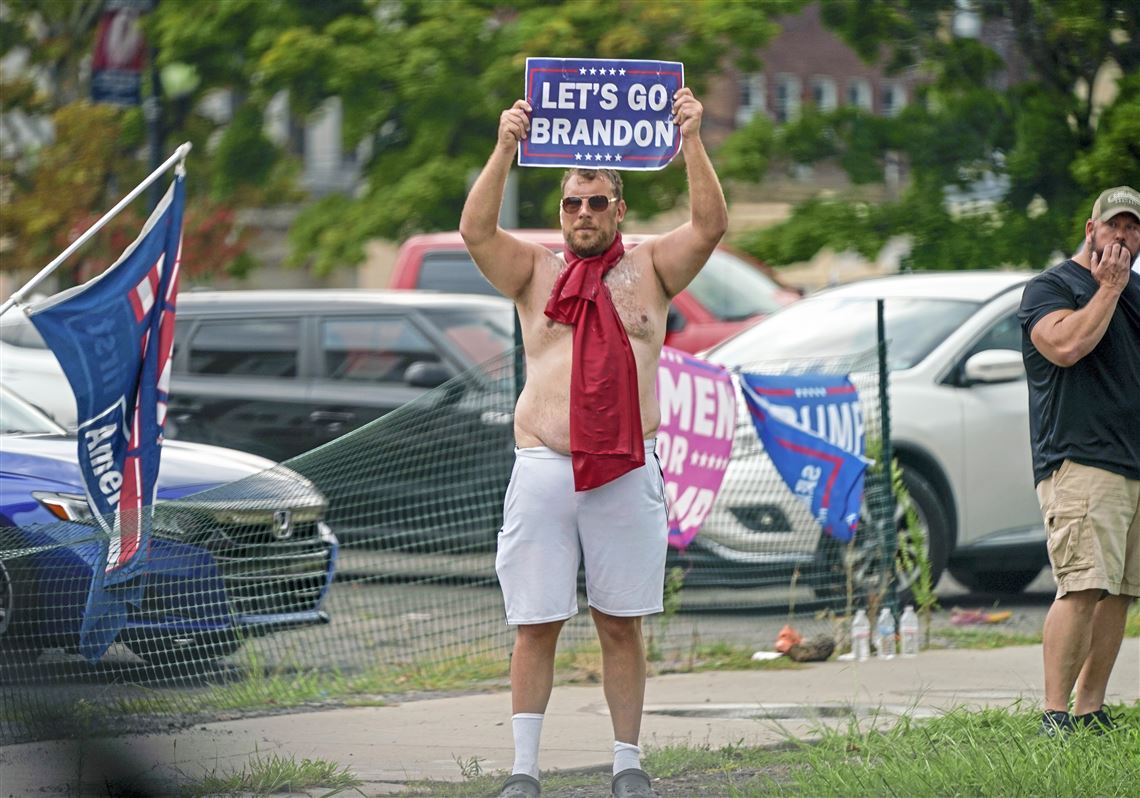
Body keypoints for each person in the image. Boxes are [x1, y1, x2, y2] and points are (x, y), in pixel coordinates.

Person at [459, 87, 727, 798]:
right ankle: (522, 770)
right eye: (572, 203)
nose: (583, 214)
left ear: (619, 210)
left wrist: (691, 138)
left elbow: (709, 225)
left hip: (626, 469)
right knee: (536, 622)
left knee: (620, 624)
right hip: (544, 465)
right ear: (560, 212)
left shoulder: (653, 270)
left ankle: (626, 763)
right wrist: (505, 146)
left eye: (597, 202)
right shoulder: (533, 273)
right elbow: (476, 232)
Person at [1018, 185, 1140, 737]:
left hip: (1132, 461)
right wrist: (1109, 290)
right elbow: (1065, 347)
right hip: (1081, 460)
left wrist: (1121, 288)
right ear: (1090, 230)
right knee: (1083, 586)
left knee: (1119, 591)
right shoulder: (1051, 287)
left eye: (1134, 228)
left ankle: (1091, 710)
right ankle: (1054, 713)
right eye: (1115, 225)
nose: (1124, 236)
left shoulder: (1136, 292)